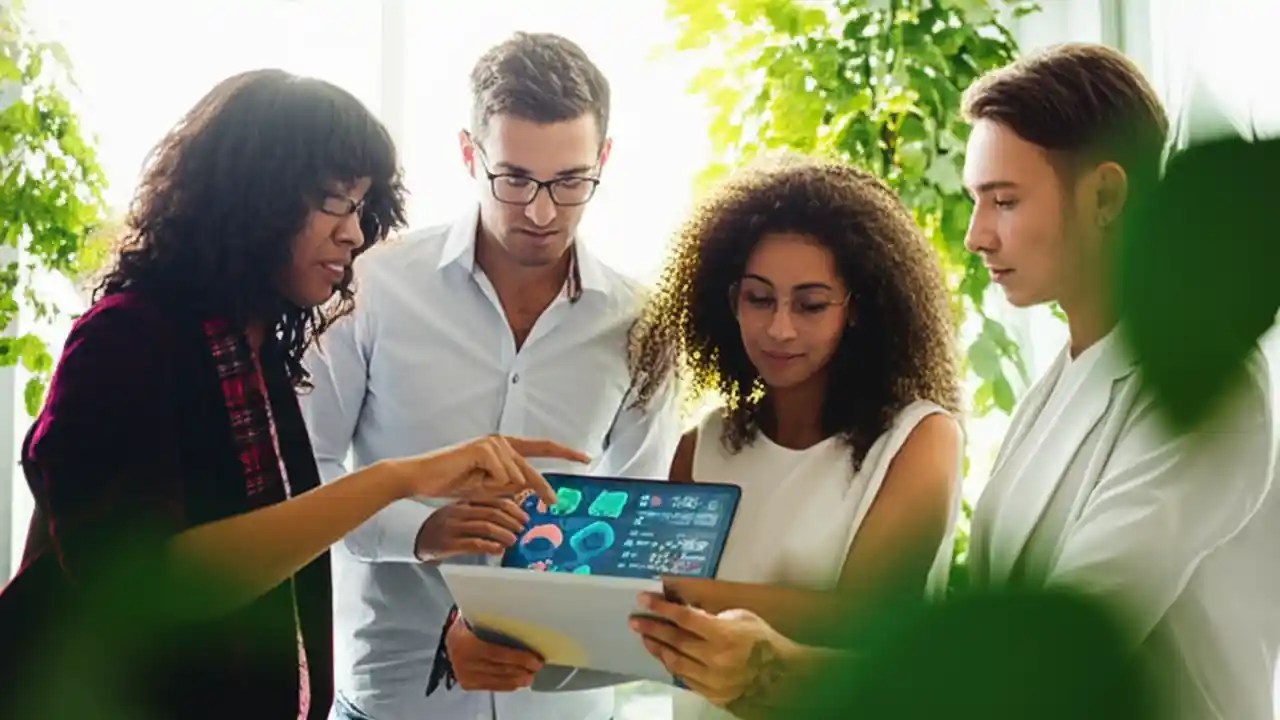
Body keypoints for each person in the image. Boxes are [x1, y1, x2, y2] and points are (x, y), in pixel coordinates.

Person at [0, 69, 579, 720]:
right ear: (253, 198)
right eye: (333, 202)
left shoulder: (258, 352)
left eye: (362, 207)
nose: (354, 234)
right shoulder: (126, 340)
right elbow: (150, 582)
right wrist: (394, 478)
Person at [300, 32, 680, 720]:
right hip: (392, 701)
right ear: (469, 155)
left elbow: (639, 524)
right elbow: (305, 474)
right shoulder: (370, 287)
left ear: (605, 160)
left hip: (563, 707)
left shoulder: (643, 325)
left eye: (570, 183)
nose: (541, 211)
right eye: (514, 179)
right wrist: (422, 531)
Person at [961, 43, 1279, 720]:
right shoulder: (1061, 377)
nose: (976, 236)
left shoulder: (1209, 384)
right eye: (975, 202)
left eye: (1004, 201)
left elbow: (1068, 645)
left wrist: (797, 672)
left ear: (1104, 195)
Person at [625, 154, 965, 719]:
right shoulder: (701, 445)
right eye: (759, 299)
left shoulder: (918, 440)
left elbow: (866, 620)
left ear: (858, 309)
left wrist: (695, 595)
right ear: (729, 300)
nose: (780, 328)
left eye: (810, 304)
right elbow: (648, 618)